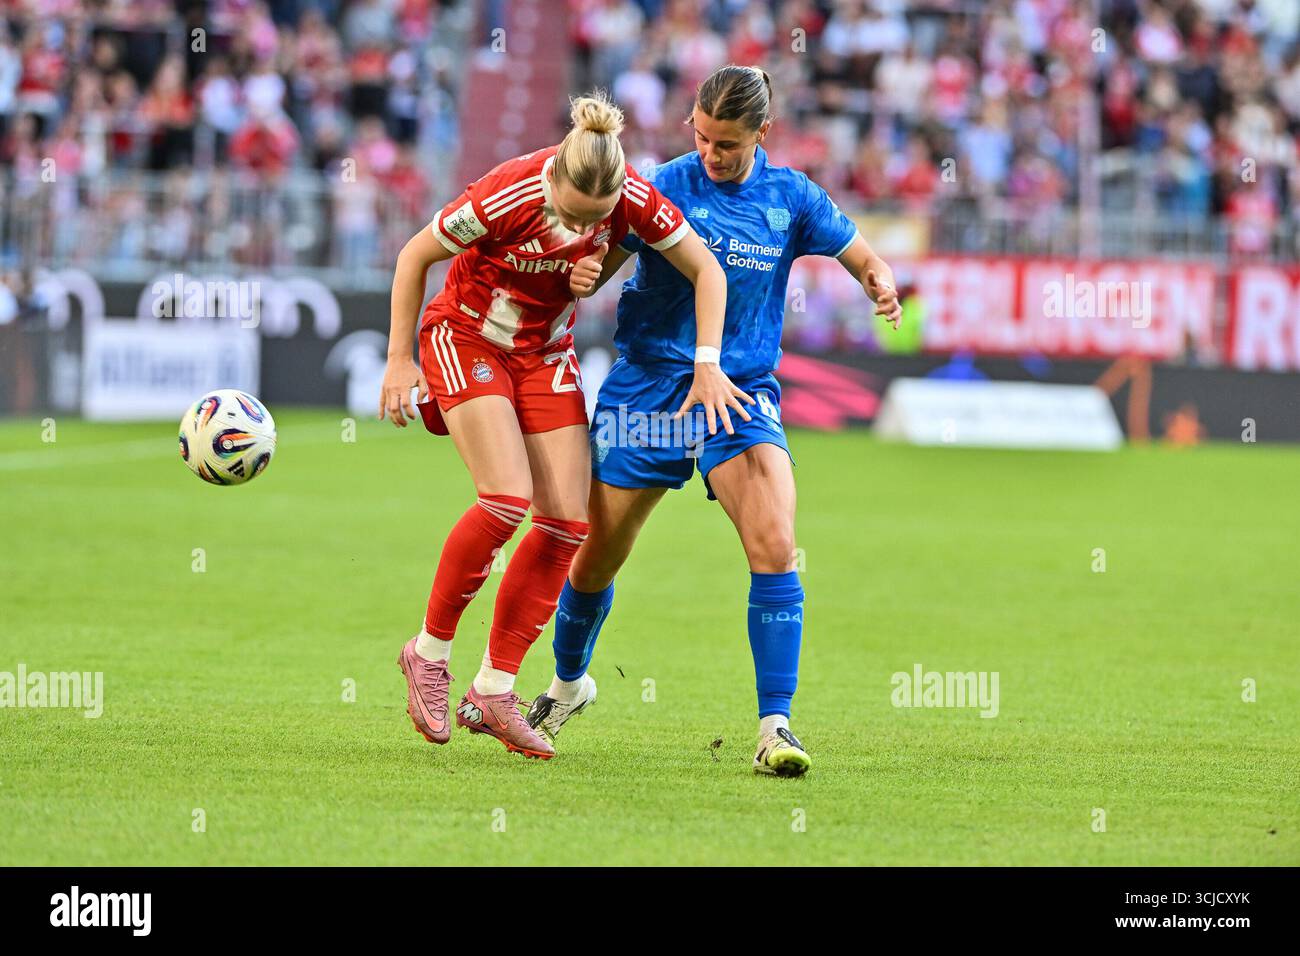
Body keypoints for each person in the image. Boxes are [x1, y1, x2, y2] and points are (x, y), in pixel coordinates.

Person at [526, 67, 902, 776]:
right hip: (650, 389)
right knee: (599, 554)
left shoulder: (791, 197)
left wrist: (877, 279)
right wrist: (577, 277)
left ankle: (775, 728)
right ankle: (568, 685)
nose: (710, 153)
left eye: (726, 143)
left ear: (764, 133)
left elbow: (861, 253)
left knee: (775, 543)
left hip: (737, 392)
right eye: (700, 135)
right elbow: (599, 263)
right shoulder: (661, 183)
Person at [379, 92, 746, 760]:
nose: (586, 228)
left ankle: (494, 689)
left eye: (597, 221)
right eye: (575, 216)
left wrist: (707, 363)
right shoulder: (506, 193)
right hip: (470, 337)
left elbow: (707, 271)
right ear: (554, 180)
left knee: (567, 522)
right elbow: (413, 257)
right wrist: (400, 359)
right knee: (504, 500)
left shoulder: (632, 196)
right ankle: (428, 653)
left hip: (545, 353)